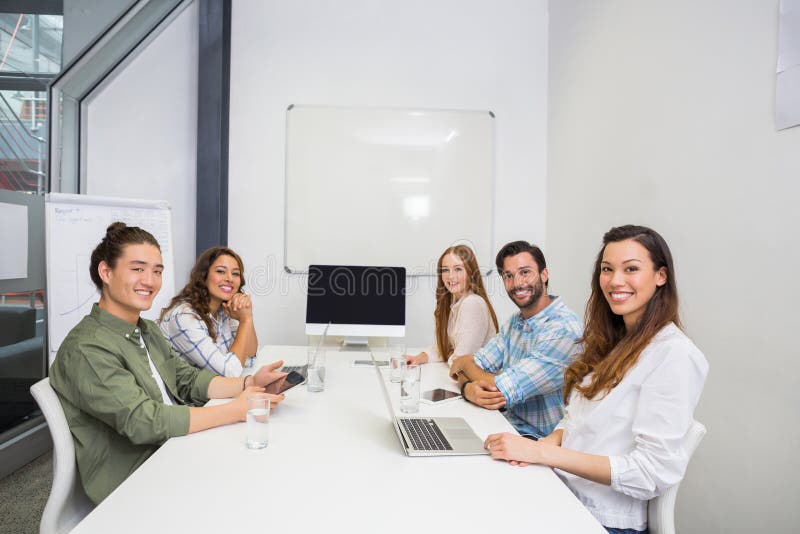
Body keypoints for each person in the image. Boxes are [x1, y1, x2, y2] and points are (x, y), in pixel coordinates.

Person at [483, 225, 709, 534]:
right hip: (566, 493)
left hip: (603, 520)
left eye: (631, 269)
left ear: (661, 276)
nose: (615, 280)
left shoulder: (674, 355)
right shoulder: (613, 341)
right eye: (607, 269)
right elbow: (577, 418)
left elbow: (651, 473)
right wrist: (547, 443)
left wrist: (541, 452)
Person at [49, 223, 288, 504]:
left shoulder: (146, 329)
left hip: (174, 448)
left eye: (157, 271)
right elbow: (145, 422)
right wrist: (236, 410)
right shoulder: (87, 348)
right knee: (255, 484)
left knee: (270, 465)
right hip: (138, 479)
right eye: (137, 269)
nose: (150, 281)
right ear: (106, 272)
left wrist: (248, 383)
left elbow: (186, 380)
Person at [449, 241, 583, 438]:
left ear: (544, 275)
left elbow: (499, 390)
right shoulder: (515, 322)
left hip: (540, 442)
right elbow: (462, 367)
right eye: (508, 276)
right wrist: (467, 388)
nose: (517, 283)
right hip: (507, 425)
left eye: (525, 272)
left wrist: (467, 366)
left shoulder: (564, 329)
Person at [159, 246, 257, 377]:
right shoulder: (184, 317)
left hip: (213, 392)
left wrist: (247, 317)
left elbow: (249, 354)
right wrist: (245, 321)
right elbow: (229, 372)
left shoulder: (224, 310)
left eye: (235, 274)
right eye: (221, 271)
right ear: (204, 276)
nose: (229, 278)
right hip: (186, 396)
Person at [405, 245, 498, 366]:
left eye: (458, 269)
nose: (450, 276)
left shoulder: (472, 304)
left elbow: (460, 360)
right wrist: (419, 358)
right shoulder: (457, 303)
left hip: (476, 381)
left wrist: (451, 355)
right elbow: (445, 346)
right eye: (445, 270)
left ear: (471, 272)